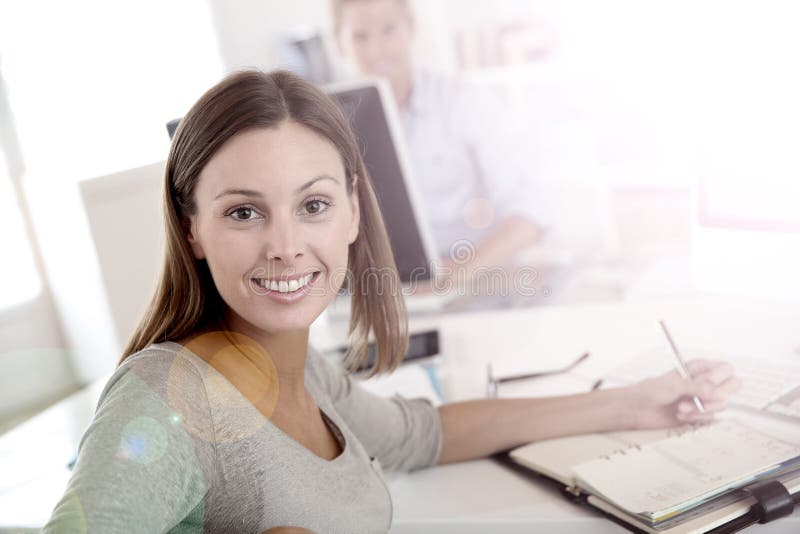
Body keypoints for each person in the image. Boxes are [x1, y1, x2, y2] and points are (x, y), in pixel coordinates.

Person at [43, 69, 739, 533]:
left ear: (351, 211)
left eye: (312, 205)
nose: (285, 246)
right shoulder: (162, 398)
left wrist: (632, 403)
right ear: (191, 227)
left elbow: (421, 435)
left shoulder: (300, 370)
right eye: (244, 213)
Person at [332, 0, 551, 287]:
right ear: (339, 43)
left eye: (389, 30)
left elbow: (532, 210)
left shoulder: (463, 101)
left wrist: (462, 271)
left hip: (477, 282)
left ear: (410, 28)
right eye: (360, 37)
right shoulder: (329, 125)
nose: (377, 49)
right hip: (385, 288)